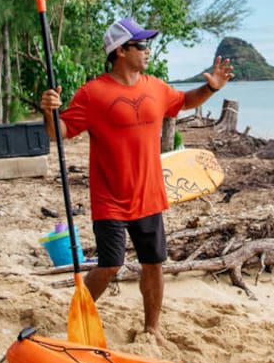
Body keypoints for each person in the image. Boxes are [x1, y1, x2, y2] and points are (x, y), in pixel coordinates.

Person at [41, 17, 232, 339]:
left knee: (154, 263)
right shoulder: (92, 93)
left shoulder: (155, 86)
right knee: (110, 264)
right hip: (110, 198)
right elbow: (59, 132)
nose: (147, 50)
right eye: (141, 44)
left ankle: (151, 329)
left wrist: (211, 87)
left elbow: (184, 102)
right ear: (120, 51)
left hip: (149, 195)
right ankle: (78, 316)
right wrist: (49, 112)